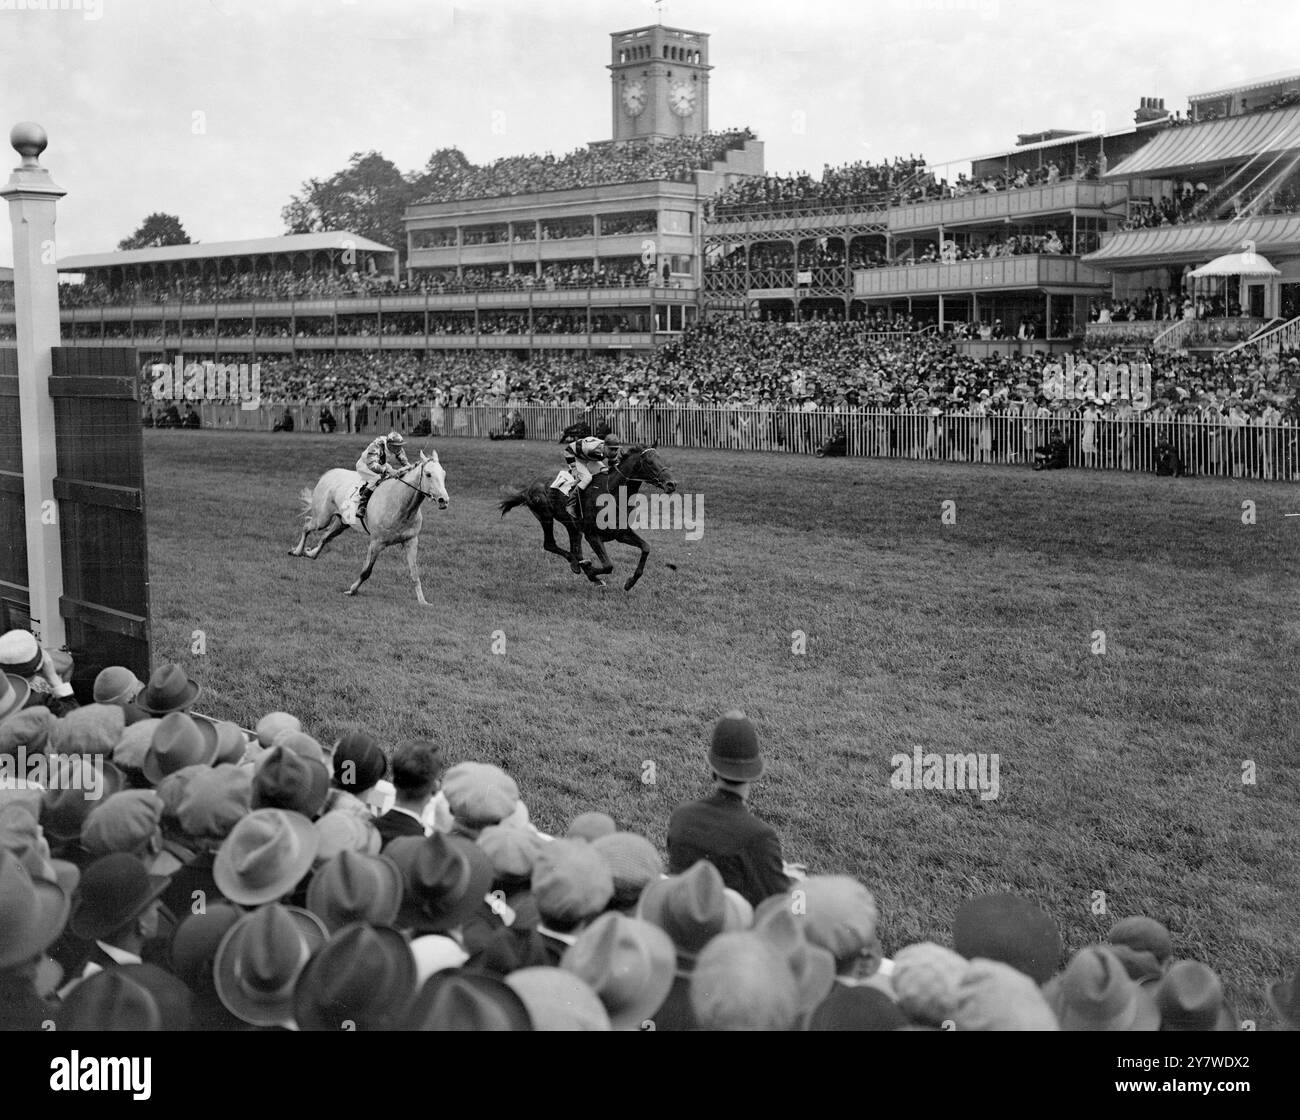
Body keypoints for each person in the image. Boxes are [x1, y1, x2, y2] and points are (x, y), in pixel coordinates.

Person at [666, 710, 791, 908]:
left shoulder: (681, 815)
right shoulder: (759, 836)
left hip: (682, 919)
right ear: (753, 774)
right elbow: (779, 903)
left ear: (713, 768)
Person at [555, 433, 620, 520]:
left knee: (605, 472)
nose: (614, 452)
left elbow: (613, 465)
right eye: (611, 449)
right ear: (604, 446)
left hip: (589, 459)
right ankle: (571, 504)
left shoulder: (610, 451)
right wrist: (574, 469)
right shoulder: (590, 447)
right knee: (587, 478)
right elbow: (568, 450)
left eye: (616, 449)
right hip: (576, 458)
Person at [355, 430, 410, 527]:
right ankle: (362, 505)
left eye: (400, 446)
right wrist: (388, 471)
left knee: (392, 476)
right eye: (396, 447)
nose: (399, 449)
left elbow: (403, 460)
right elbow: (372, 465)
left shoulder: (396, 447)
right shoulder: (377, 446)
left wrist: (409, 468)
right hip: (366, 465)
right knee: (377, 478)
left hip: (381, 463)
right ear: (389, 445)